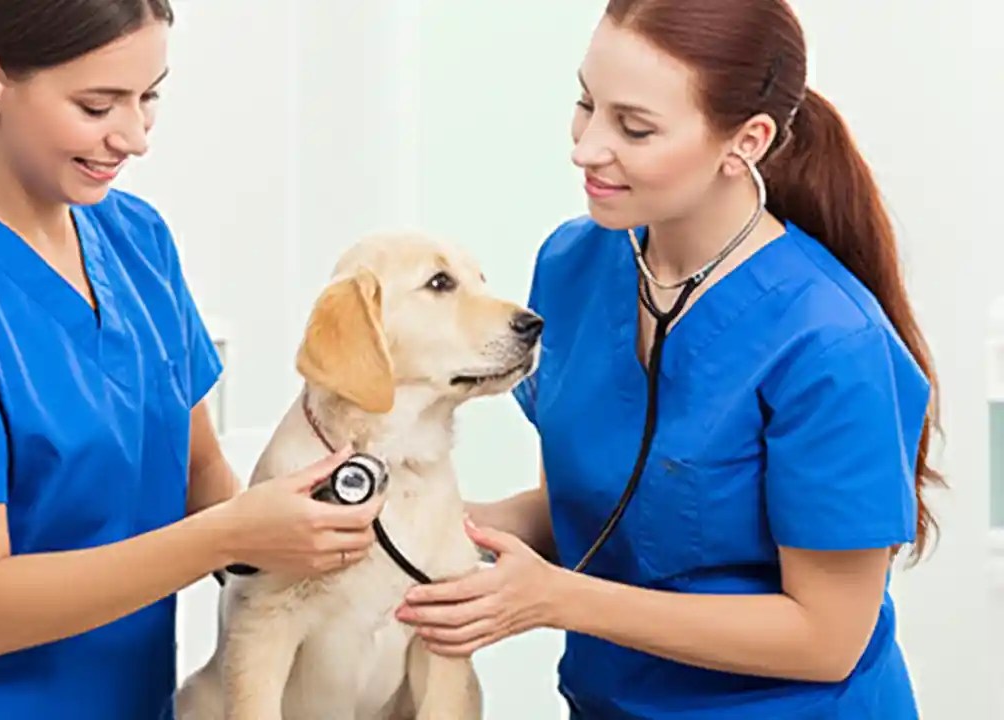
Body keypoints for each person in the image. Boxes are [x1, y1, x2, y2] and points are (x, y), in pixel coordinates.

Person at [0, 2, 382, 718]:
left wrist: (297, 549)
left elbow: (198, 473)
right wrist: (231, 536)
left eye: (149, 98)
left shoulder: (136, 240)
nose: (136, 137)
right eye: (97, 106)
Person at [395, 1, 939, 718]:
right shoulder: (574, 264)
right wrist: (422, 526)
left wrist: (559, 600)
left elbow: (827, 637)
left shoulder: (830, 340)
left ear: (746, 141)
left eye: (635, 127)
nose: (587, 147)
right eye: (585, 104)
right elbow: (597, 506)